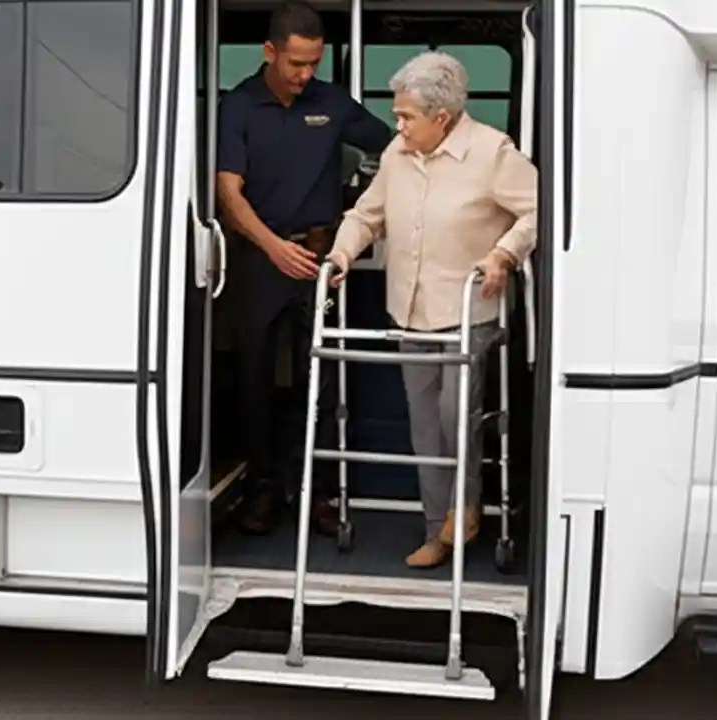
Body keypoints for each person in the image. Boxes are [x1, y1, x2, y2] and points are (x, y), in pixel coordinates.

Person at [327, 50, 538, 568]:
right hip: (410, 312)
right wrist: (341, 253)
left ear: (441, 117)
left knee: (454, 416)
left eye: (406, 117)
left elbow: (538, 209)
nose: (397, 127)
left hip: (468, 313)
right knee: (425, 426)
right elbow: (366, 215)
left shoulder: (492, 153)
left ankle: (464, 509)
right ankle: (435, 529)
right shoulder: (398, 155)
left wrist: (504, 254)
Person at [216, 0, 393, 536]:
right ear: (269, 52)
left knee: (321, 380)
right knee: (254, 378)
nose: (305, 74)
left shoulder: (332, 102)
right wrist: (273, 247)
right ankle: (264, 488)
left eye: (314, 63)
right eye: (296, 63)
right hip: (260, 258)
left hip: (319, 259)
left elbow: (399, 145)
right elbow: (228, 193)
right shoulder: (238, 106)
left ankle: (316, 492)